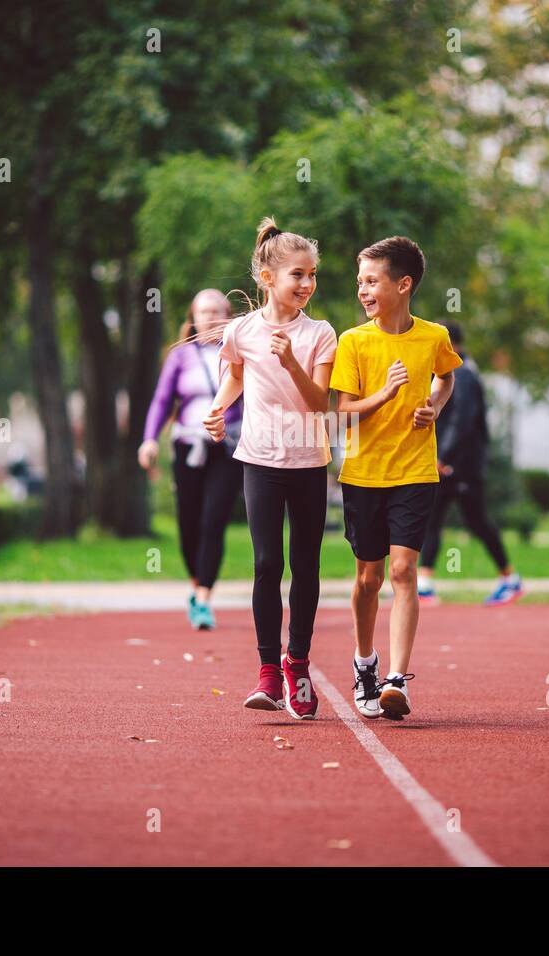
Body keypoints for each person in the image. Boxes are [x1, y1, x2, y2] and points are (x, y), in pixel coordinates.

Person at [205, 218, 337, 720]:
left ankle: (297, 662)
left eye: (312, 276)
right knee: (266, 564)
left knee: (305, 565)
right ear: (267, 277)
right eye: (297, 275)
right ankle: (267, 671)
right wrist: (217, 410)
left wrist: (292, 363)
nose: (306, 284)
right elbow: (234, 378)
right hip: (259, 460)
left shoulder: (320, 333)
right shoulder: (240, 331)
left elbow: (320, 402)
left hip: (308, 461)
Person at [331, 236, 461, 721]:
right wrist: (385, 395)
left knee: (404, 571)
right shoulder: (353, 341)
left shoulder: (433, 337)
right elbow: (342, 410)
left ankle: (396, 680)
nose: (362, 290)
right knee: (370, 577)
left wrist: (435, 405)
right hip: (364, 473)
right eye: (359, 282)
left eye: (371, 281)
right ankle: (366, 663)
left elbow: (447, 377)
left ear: (403, 285)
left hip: (415, 470)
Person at [139, 289, 245, 630]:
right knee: (189, 523)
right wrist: (149, 440)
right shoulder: (180, 357)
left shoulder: (242, 353)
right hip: (188, 446)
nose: (211, 316)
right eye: (204, 310)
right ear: (193, 316)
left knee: (214, 520)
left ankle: (203, 598)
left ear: (228, 315)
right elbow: (160, 400)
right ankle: (196, 581)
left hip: (228, 447)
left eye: (218, 310)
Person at [416, 321, 522, 607]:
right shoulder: (461, 373)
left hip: (459, 465)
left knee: (471, 520)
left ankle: (508, 578)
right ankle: (424, 581)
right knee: (442, 518)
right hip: (458, 463)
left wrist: (443, 456)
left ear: (449, 345)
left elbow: (461, 422)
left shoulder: (461, 375)